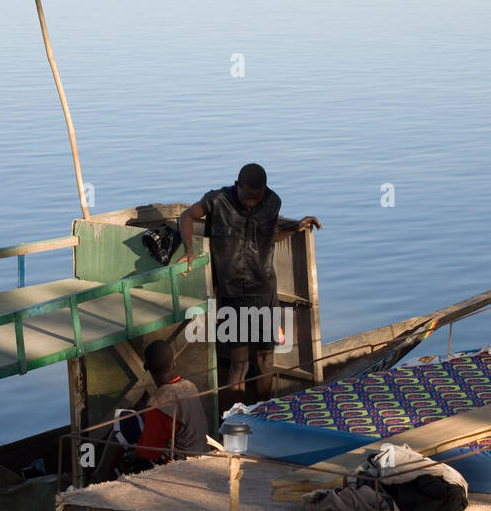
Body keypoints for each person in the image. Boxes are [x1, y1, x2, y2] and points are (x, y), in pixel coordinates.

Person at [178, 163, 320, 402]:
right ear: (238, 185)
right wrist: (189, 249)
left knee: (265, 358)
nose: (252, 202)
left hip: (263, 290)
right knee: (239, 364)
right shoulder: (217, 200)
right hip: (232, 294)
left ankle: (265, 410)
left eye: (258, 197)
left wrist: (295, 227)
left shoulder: (273, 202)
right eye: (248, 197)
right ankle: (237, 417)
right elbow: (186, 217)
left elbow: (268, 237)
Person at [92, 340, 208, 482]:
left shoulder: (159, 404)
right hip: (200, 453)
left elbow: (148, 453)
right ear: (174, 364)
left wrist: (128, 456)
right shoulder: (190, 386)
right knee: (131, 420)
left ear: (147, 368)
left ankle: (100, 475)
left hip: (179, 464)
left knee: (123, 421)